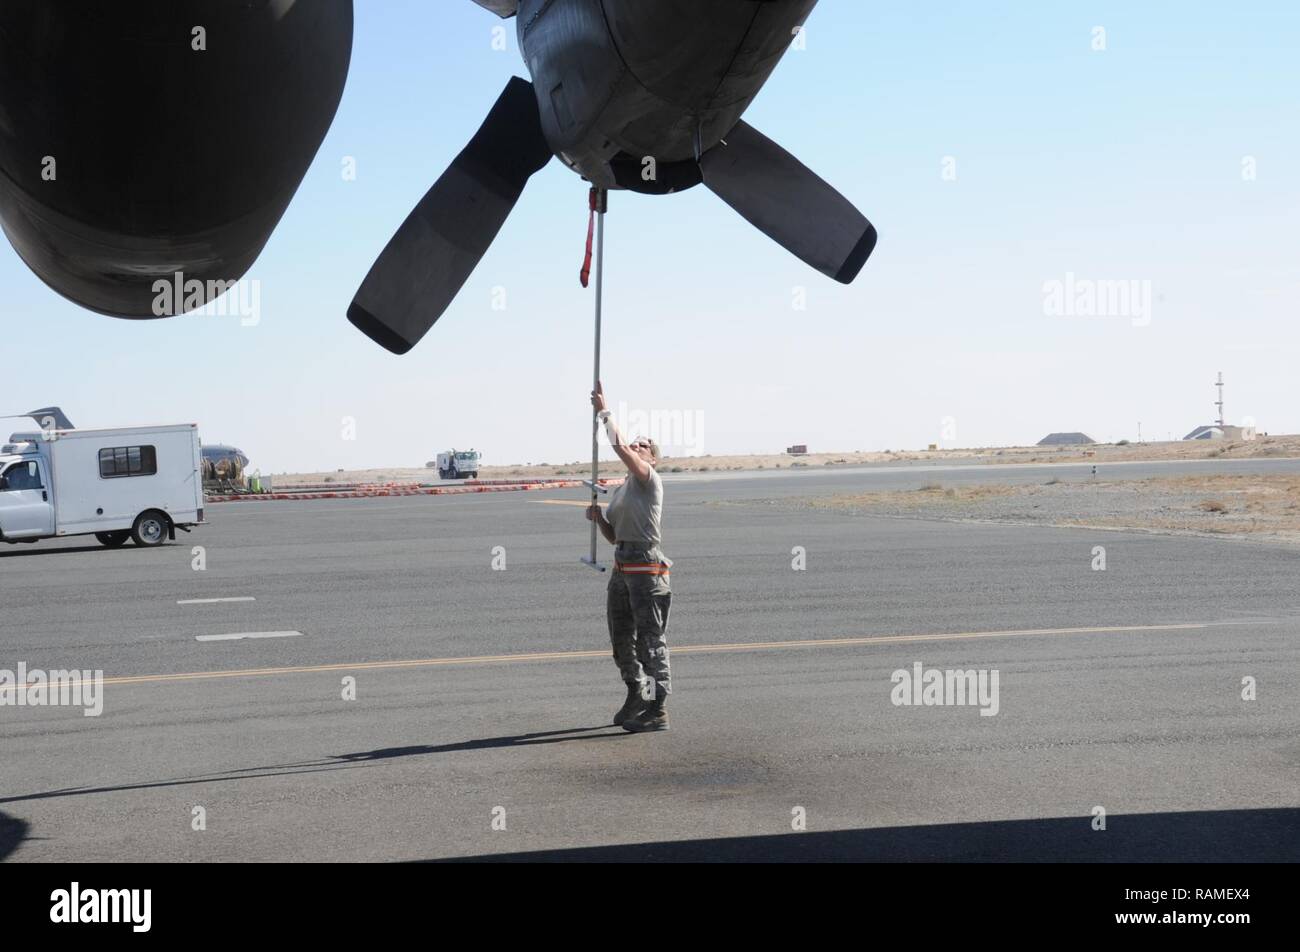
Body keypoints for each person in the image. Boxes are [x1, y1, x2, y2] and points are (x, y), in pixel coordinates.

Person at [586, 381, 673, 732]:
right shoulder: (623, 490)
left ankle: (657, 708)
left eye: (644, 445)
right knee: (622, 639)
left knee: (650, 642)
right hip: (624, 567)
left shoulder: (648, 479)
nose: (638, 446)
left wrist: (604, 412)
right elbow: (615, 538)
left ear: (651, 458)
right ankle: (636, 692)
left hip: (646, 569)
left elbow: (620, 447)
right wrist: (601, 521)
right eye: (636, 443)